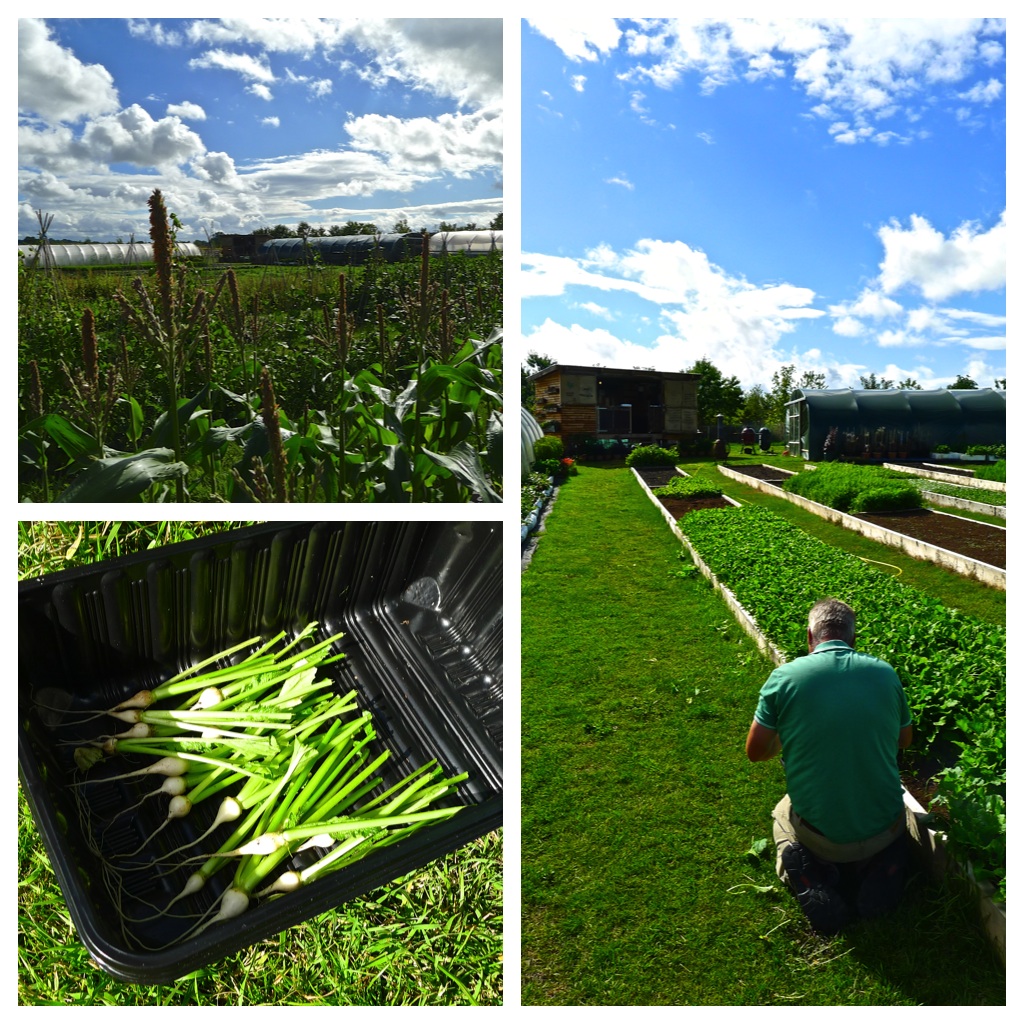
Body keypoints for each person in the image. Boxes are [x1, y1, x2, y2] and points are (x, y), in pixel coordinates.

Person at [745, 598, 913, 934]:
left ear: (810, 637)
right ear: (853, 639)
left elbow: (756, 751)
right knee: (891, 818)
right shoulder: (885, 673)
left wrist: (787, 738)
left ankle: (809, 872)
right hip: (883, 829)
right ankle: (884, 864)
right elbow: (904, 740)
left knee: (783, 812)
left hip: (821, 837)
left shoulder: (785, 678)